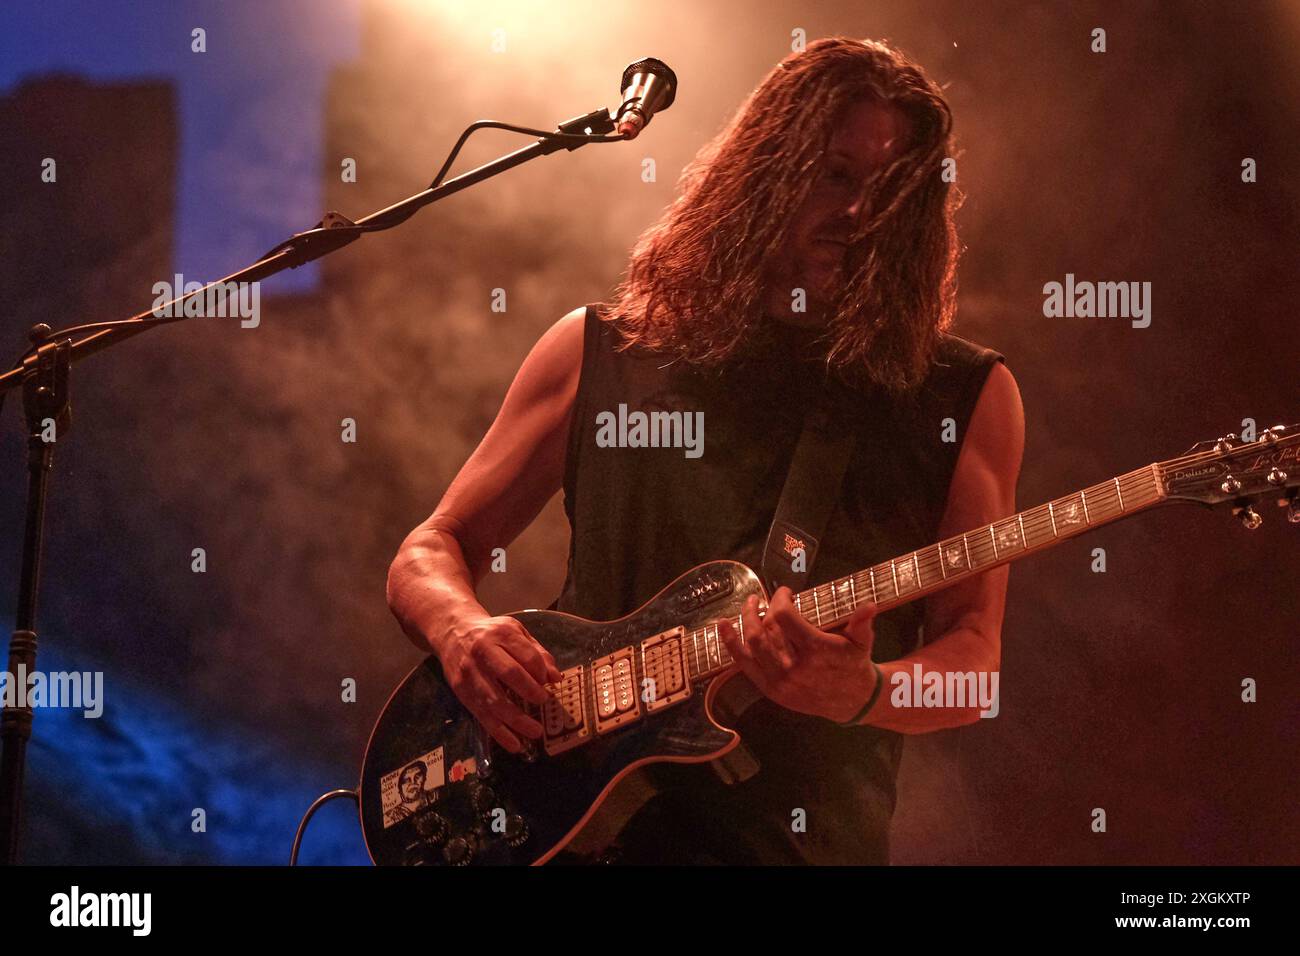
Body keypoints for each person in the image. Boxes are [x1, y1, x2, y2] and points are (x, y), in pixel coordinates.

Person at [385, 36, 1024, 864]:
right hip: (564, 840)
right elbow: (428, 550)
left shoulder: (960, 396)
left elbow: (973, 671)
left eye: (891, 192)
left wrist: (868, 692)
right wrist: (463, 631)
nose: (863, 213)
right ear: (764, 174)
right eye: (835, 175)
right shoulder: (600, 351)